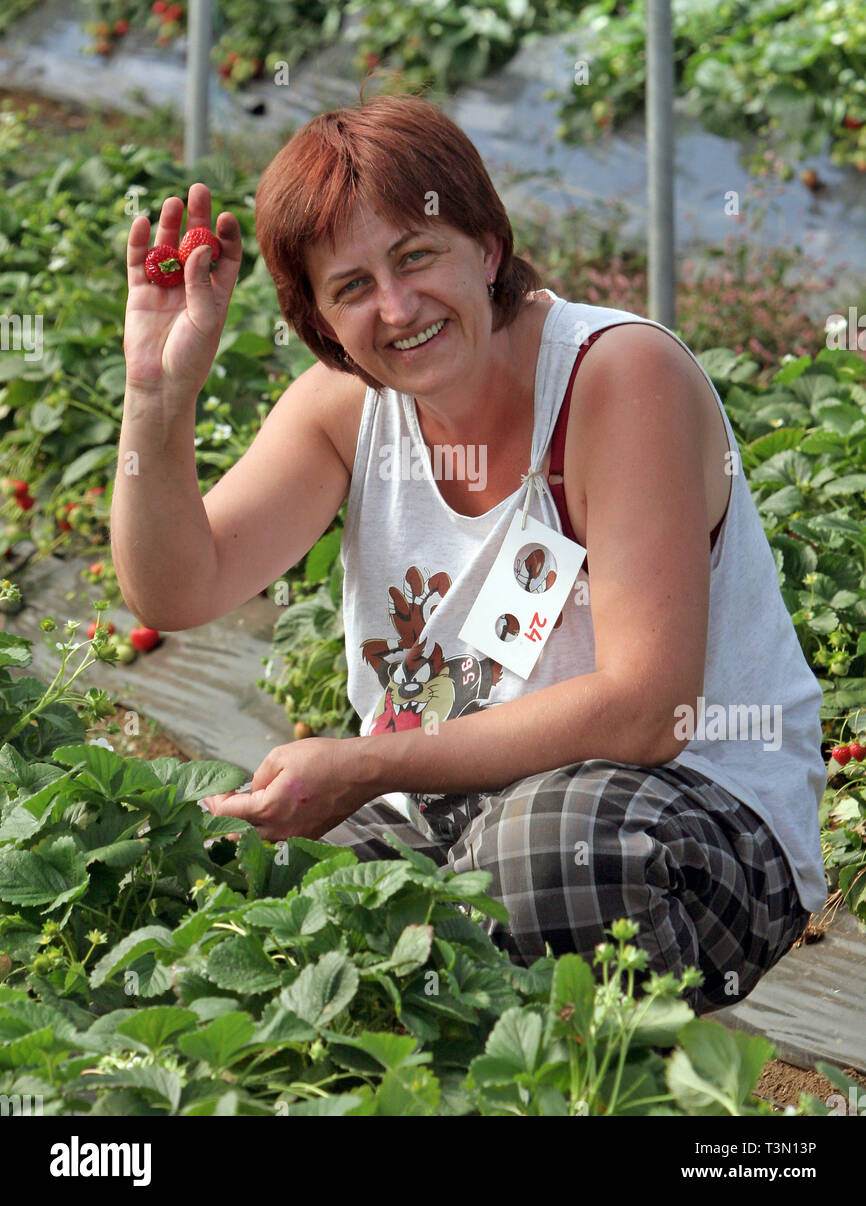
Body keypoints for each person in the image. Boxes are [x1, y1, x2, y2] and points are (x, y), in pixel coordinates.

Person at [114, 88, 827, 1015]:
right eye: (354, 286)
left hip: (695, 818)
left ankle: (620, 1087)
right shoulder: (346, 414)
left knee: (539, 849)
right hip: (453, 812)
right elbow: (176, 587)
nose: (399, 306)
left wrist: (367, 763)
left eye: (418, 256)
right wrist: (156, 397)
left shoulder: (614, 377)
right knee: (237, 896)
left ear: (486, 249)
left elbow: (652, 712)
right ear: (322, 322)